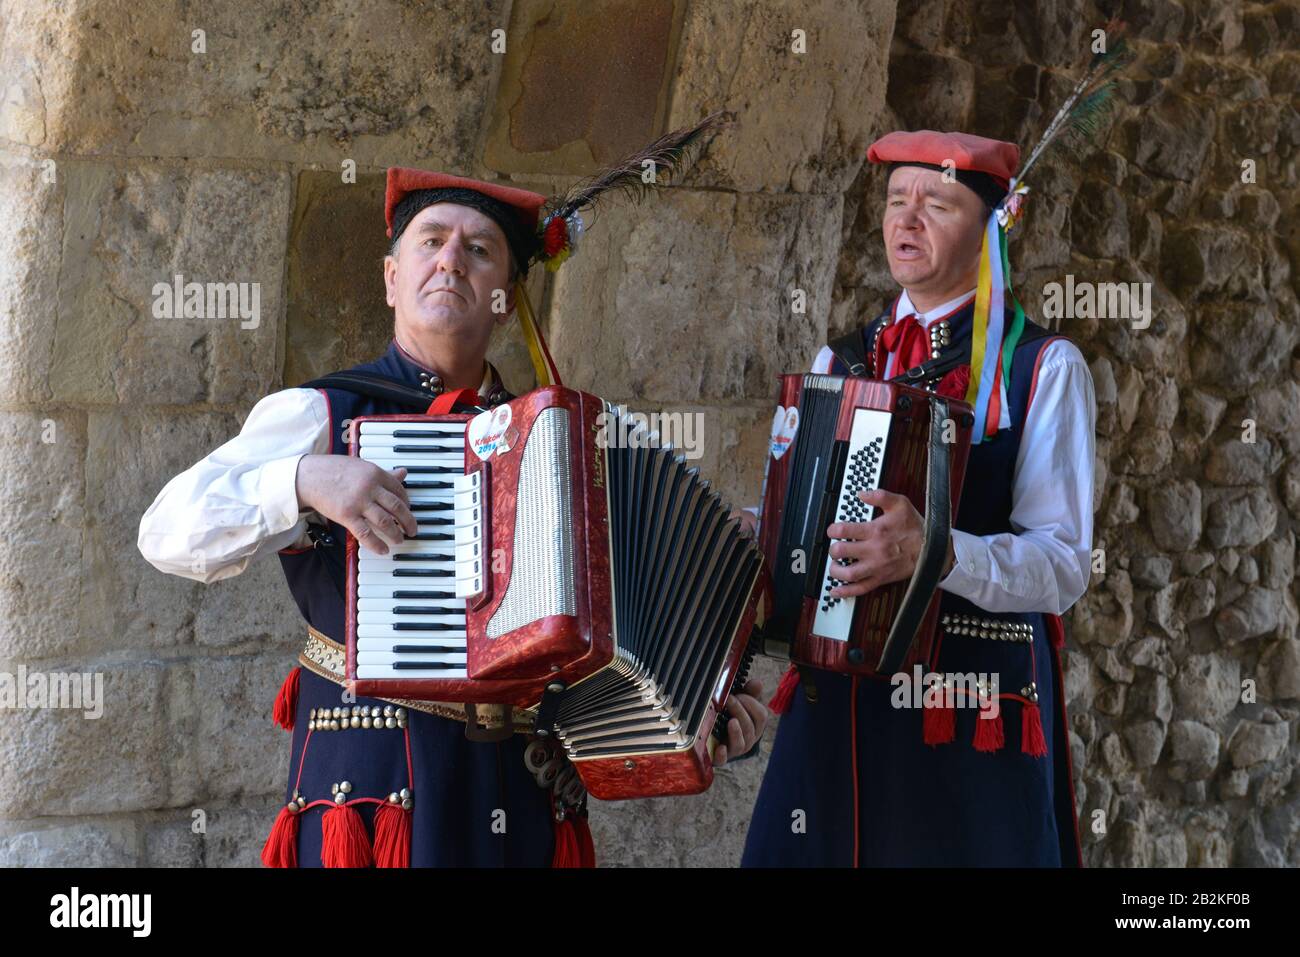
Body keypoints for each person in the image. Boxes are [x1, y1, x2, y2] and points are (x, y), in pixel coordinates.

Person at [139, 161, 766, 867]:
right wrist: (304, 477)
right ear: (390, 278)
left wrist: (701, 721)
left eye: (478, 249)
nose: (450, 261)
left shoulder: (565, 449)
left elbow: (612, 645)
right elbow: (167, 529)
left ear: (506, 295)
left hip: (522, 794)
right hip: (382, 796)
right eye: (430, 241)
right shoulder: (323, 413)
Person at [741, 130, 1096, 867]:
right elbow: (800, 524)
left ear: (993, 226)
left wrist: (932, 551)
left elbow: (1062, 565)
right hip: (836, 709)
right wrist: (753, 535)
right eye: (897, 200)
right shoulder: (839, 359)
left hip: (966, 714)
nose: (906, 219)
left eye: (936, 203)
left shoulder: (1042, 366)